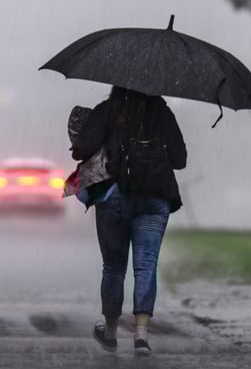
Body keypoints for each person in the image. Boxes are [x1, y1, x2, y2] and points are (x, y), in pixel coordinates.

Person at [71, 86, 187, 357]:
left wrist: (88, 133)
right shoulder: (162, 114)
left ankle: (110, 332)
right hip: (155, 198)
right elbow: (180, 160)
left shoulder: (108, 110)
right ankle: (141, 335)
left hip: (115, 198)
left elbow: (81, 151)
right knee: (146, 265)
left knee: (113, 267)